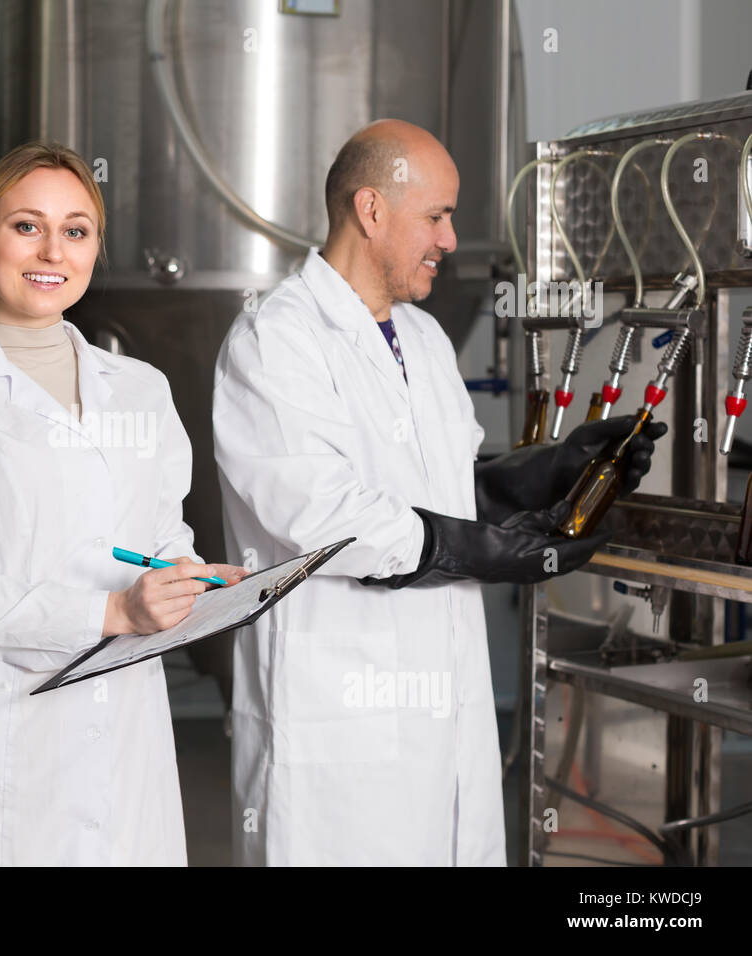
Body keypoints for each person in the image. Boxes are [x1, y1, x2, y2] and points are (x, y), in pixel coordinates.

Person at [211, 119, 665, 866]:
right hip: (339, 721)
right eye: (437, 215)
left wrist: (547, 470)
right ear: (371, 210)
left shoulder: (420, 337)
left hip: (445, 709)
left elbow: (442, 490)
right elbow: (326, 516)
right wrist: (488, 553)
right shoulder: (276, 339)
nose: (451, 239)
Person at [0, 141, 246, 866]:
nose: (52, 250)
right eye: (25, 226)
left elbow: (165, 535)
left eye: (76, 230)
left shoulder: (141, 389)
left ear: (96, 249)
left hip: (123, 726)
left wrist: (193, 582)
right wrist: (112, 613)